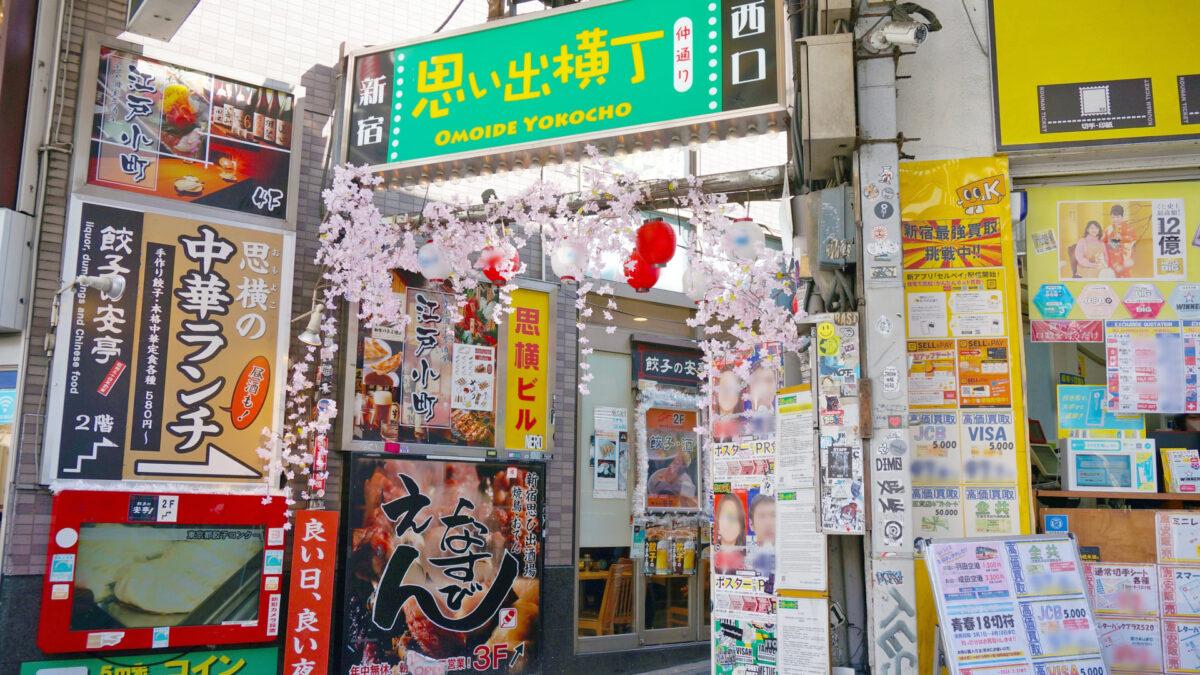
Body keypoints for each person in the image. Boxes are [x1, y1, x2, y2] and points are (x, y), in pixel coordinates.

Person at [713, 492, 747, 574]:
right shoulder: (711, 555)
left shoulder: (748, 561)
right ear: (718, 521)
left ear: (741, 525)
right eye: (725, 516)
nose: (730, 523)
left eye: (734, 517)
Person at [1103, 204, 1137, 278]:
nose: (1115, 219)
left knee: (1125, 274)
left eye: (1118, 217)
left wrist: (1121, 238)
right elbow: (1104, 241)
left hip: (1125, 256)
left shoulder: (1128, 228)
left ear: (1122, 217)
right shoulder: (1108, 228)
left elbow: (1132, 239)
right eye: (1113, 217)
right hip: (1112, 257)